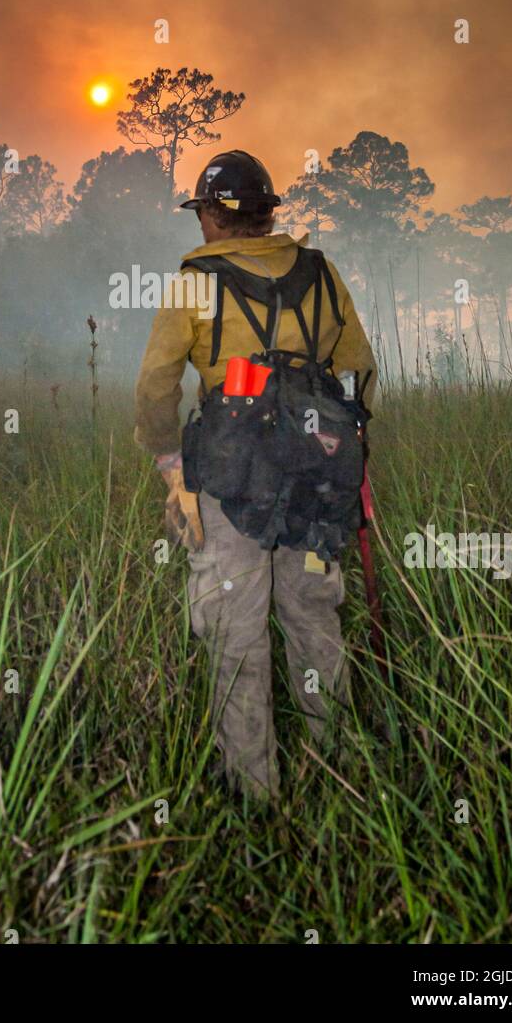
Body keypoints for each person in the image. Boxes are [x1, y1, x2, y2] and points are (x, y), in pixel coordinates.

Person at [135, 150, 378, 800]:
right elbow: (357, 369)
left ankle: (253, 795)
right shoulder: (321, 275)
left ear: (212, 216)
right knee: (314, 619)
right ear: (268, 213)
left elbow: (155, 387)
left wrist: (171, 468)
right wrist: (348, 442)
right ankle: (339, 779)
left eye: (202, 214)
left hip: (228, 471)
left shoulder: (194, 281)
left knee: (234, 628)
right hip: (316, 471)